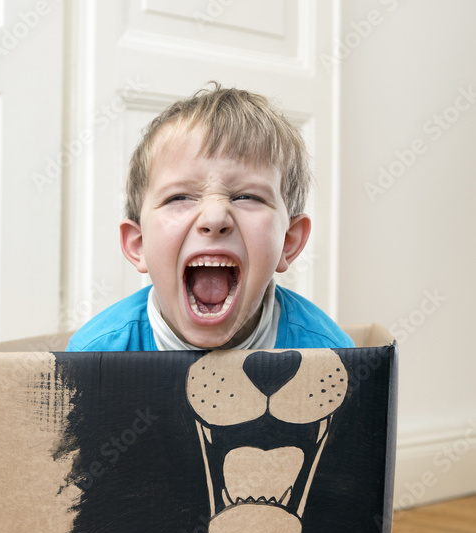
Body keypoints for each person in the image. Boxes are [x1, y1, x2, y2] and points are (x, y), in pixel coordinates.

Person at [66, 84, 354, 352]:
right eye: (179, 197)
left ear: (288, 241)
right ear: (138, 244)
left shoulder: (332, 358)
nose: (215, 218)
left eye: (247, 197)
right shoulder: (93, 357)